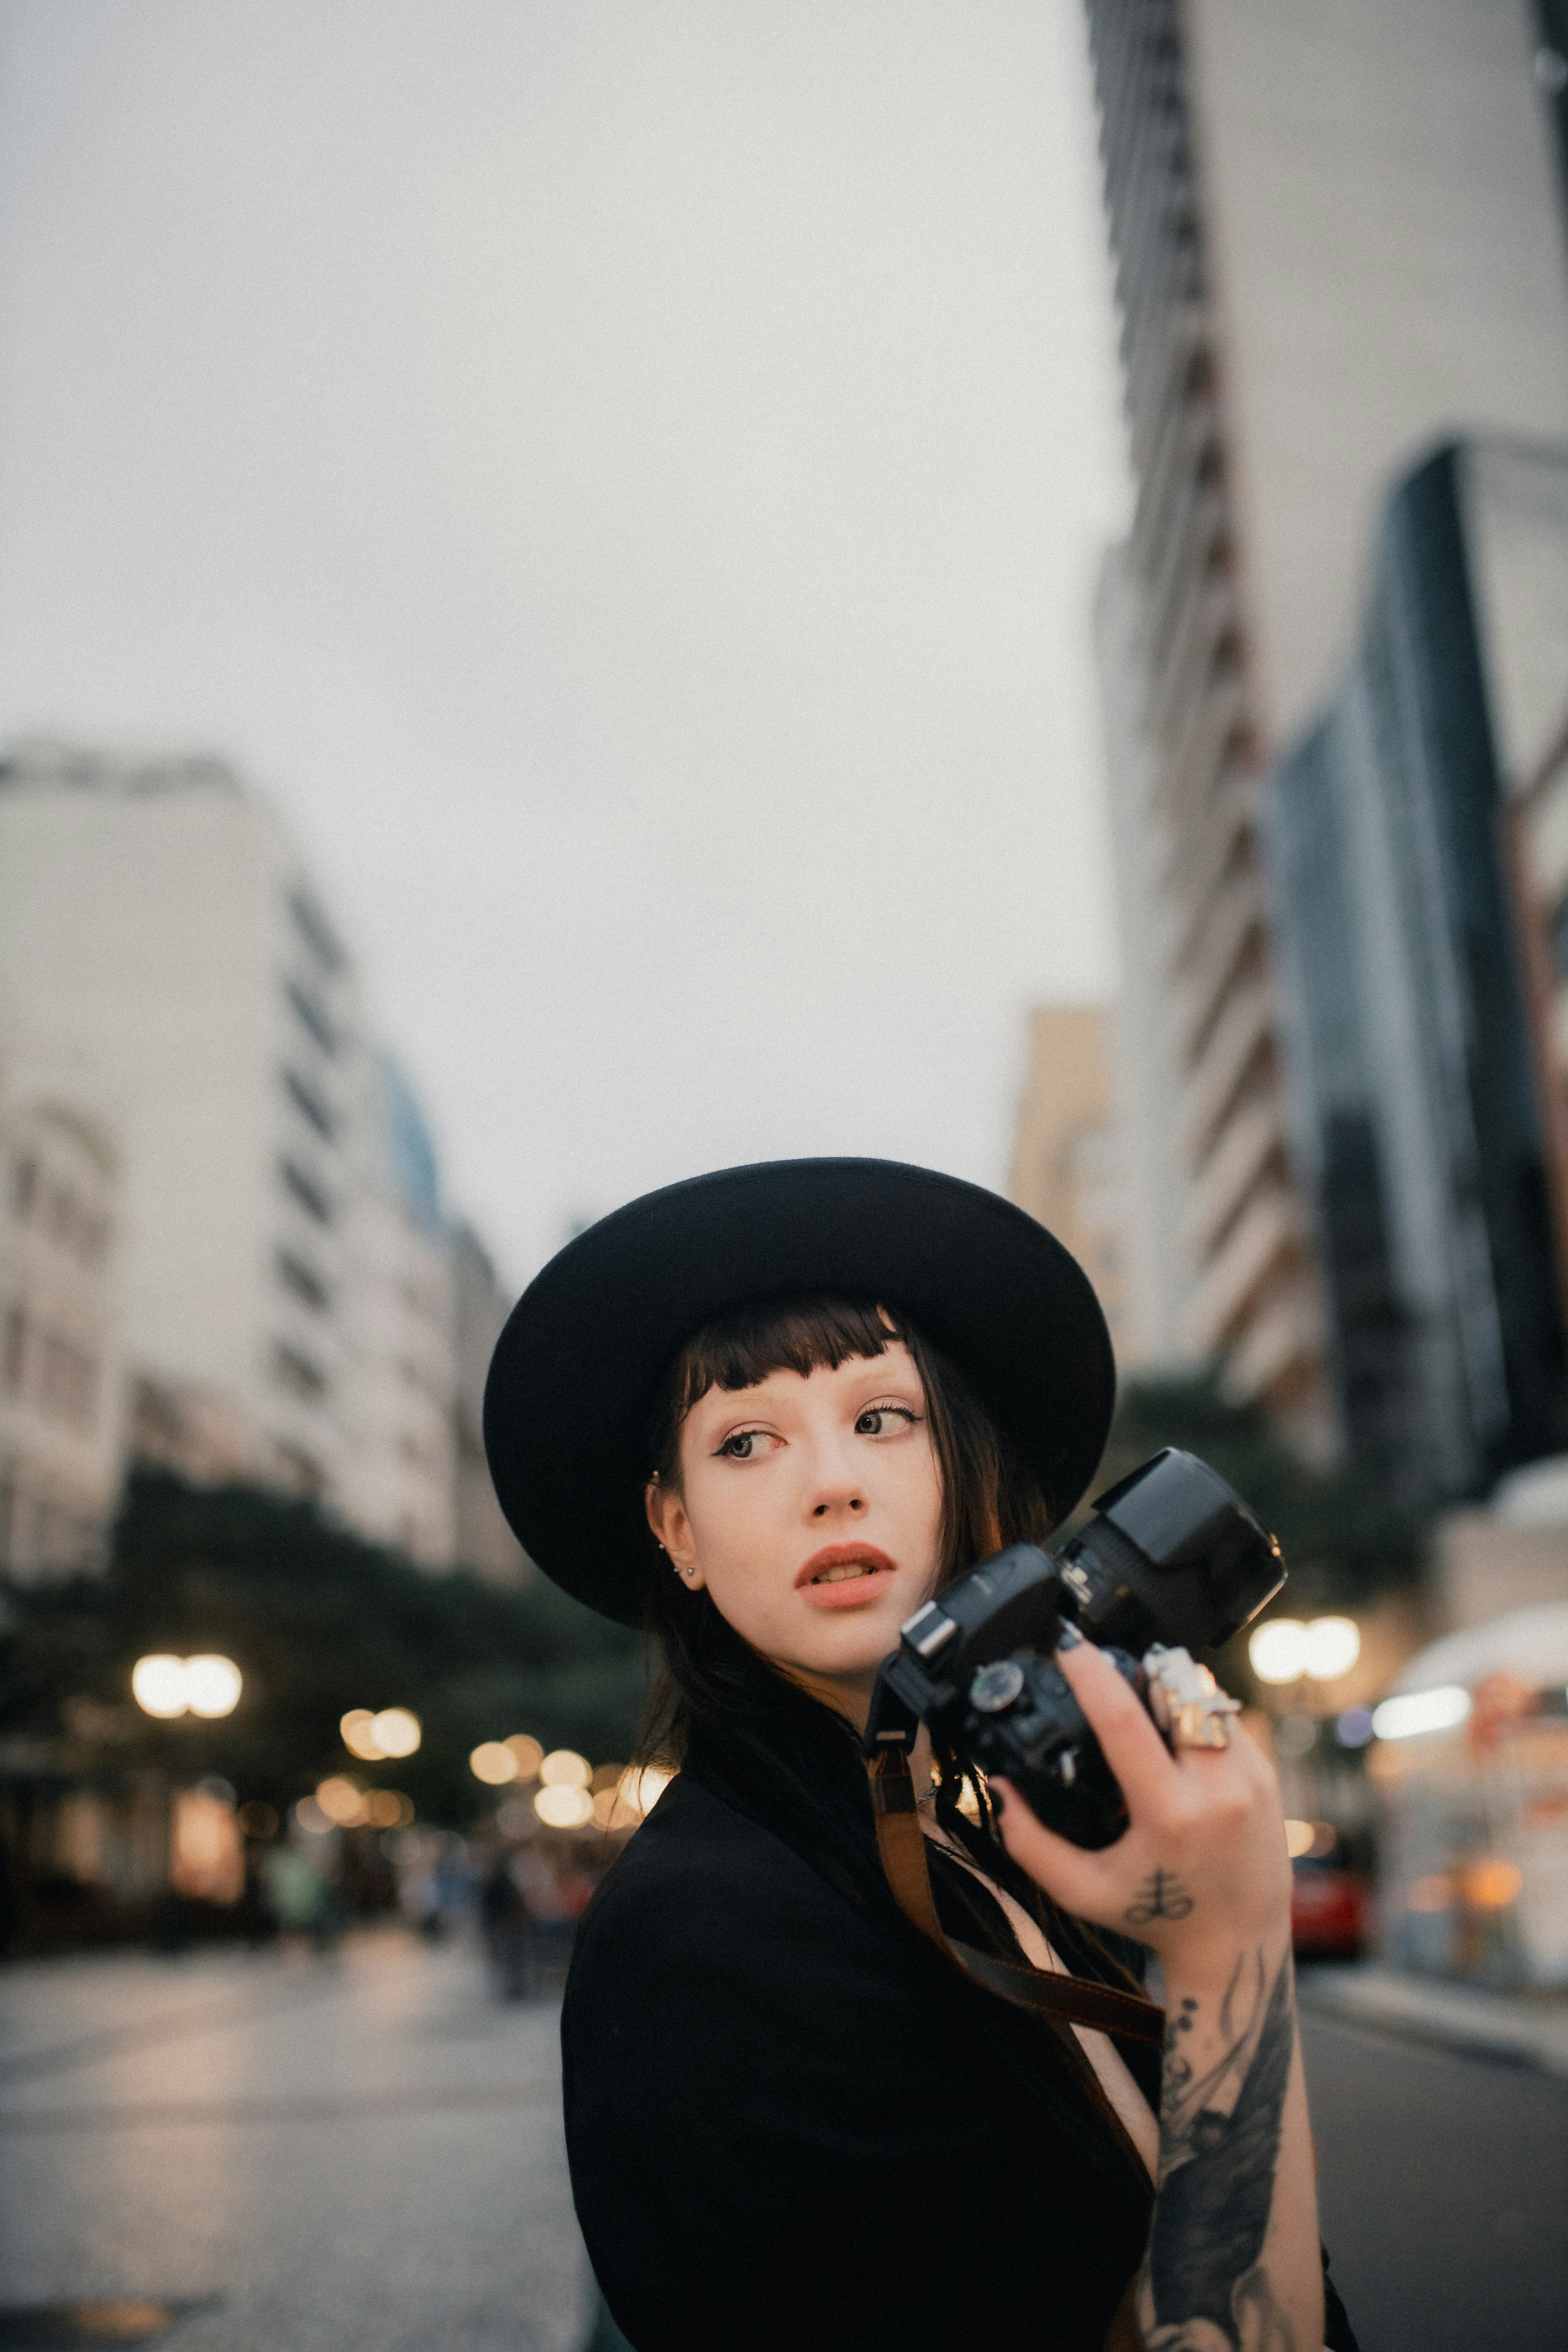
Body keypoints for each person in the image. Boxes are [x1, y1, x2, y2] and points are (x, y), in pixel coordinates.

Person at [484, 1159, 1360, 2352]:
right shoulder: (702, 1935)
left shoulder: (968, 1834)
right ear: (677, 1530)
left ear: (965, 1469)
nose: (832, 1485)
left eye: (881, 1420)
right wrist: (1230, 1947)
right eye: (747, 1441)